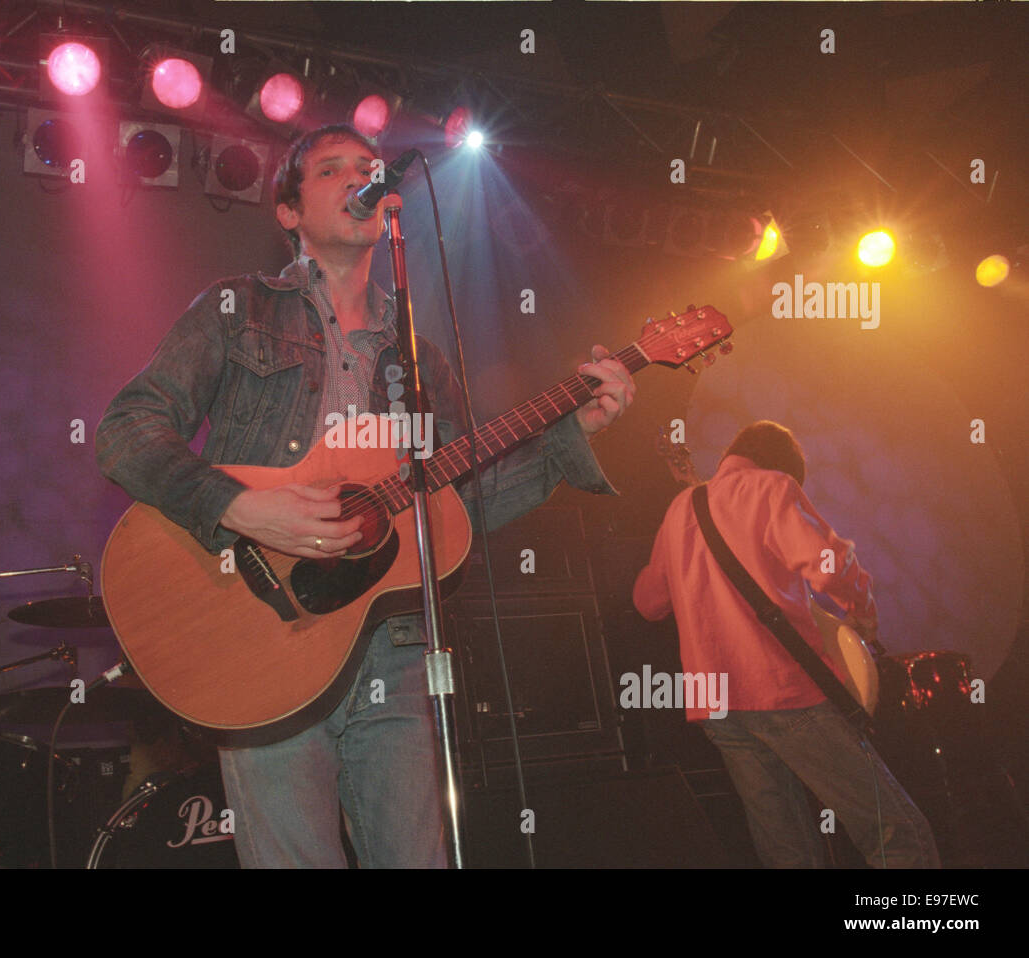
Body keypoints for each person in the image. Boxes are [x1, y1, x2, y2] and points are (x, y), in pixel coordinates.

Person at [95, 123, 635, 867]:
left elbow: (457, 511)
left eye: (370, 168)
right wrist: (238, 505)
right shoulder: (238, 308)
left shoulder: (418, 355)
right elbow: (126, 430)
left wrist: (573, 434)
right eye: (331, 170)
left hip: (395, 648)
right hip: (259, 642)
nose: (360, 179)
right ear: (288, 211)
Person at [633, 420, 939, 867]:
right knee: (894, 831)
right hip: (777, 686)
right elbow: (829, 565)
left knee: (786, 849)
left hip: (714, 703)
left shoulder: (683, 506)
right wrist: (863, 611)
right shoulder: (772, 488)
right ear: (784, 467)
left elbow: (647, 602)